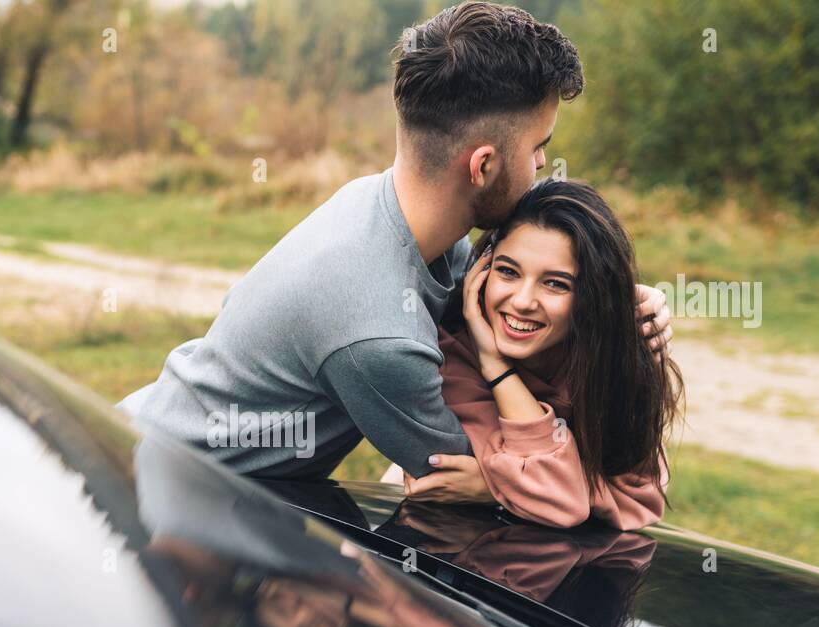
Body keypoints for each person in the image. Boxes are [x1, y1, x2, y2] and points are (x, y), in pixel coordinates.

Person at [118, 2, 673, 495]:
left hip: (143, 435)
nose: (542, 165)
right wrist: (494, 485)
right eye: (537, 149)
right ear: (482, 165)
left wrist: (612, 304)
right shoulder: (379, 333)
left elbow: (500, 314)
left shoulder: (387, 208)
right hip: (160, 492)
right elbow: (502, 476)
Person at [389, 178, 683, 530]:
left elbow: (640, 498)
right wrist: (496, 368)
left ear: (589, 295)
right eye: (508, 272)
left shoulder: (608, 355)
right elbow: (560, 500)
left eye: (555, 283)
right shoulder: (450, 361)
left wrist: (495, 488)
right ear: (482, 272)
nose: (523, 301)